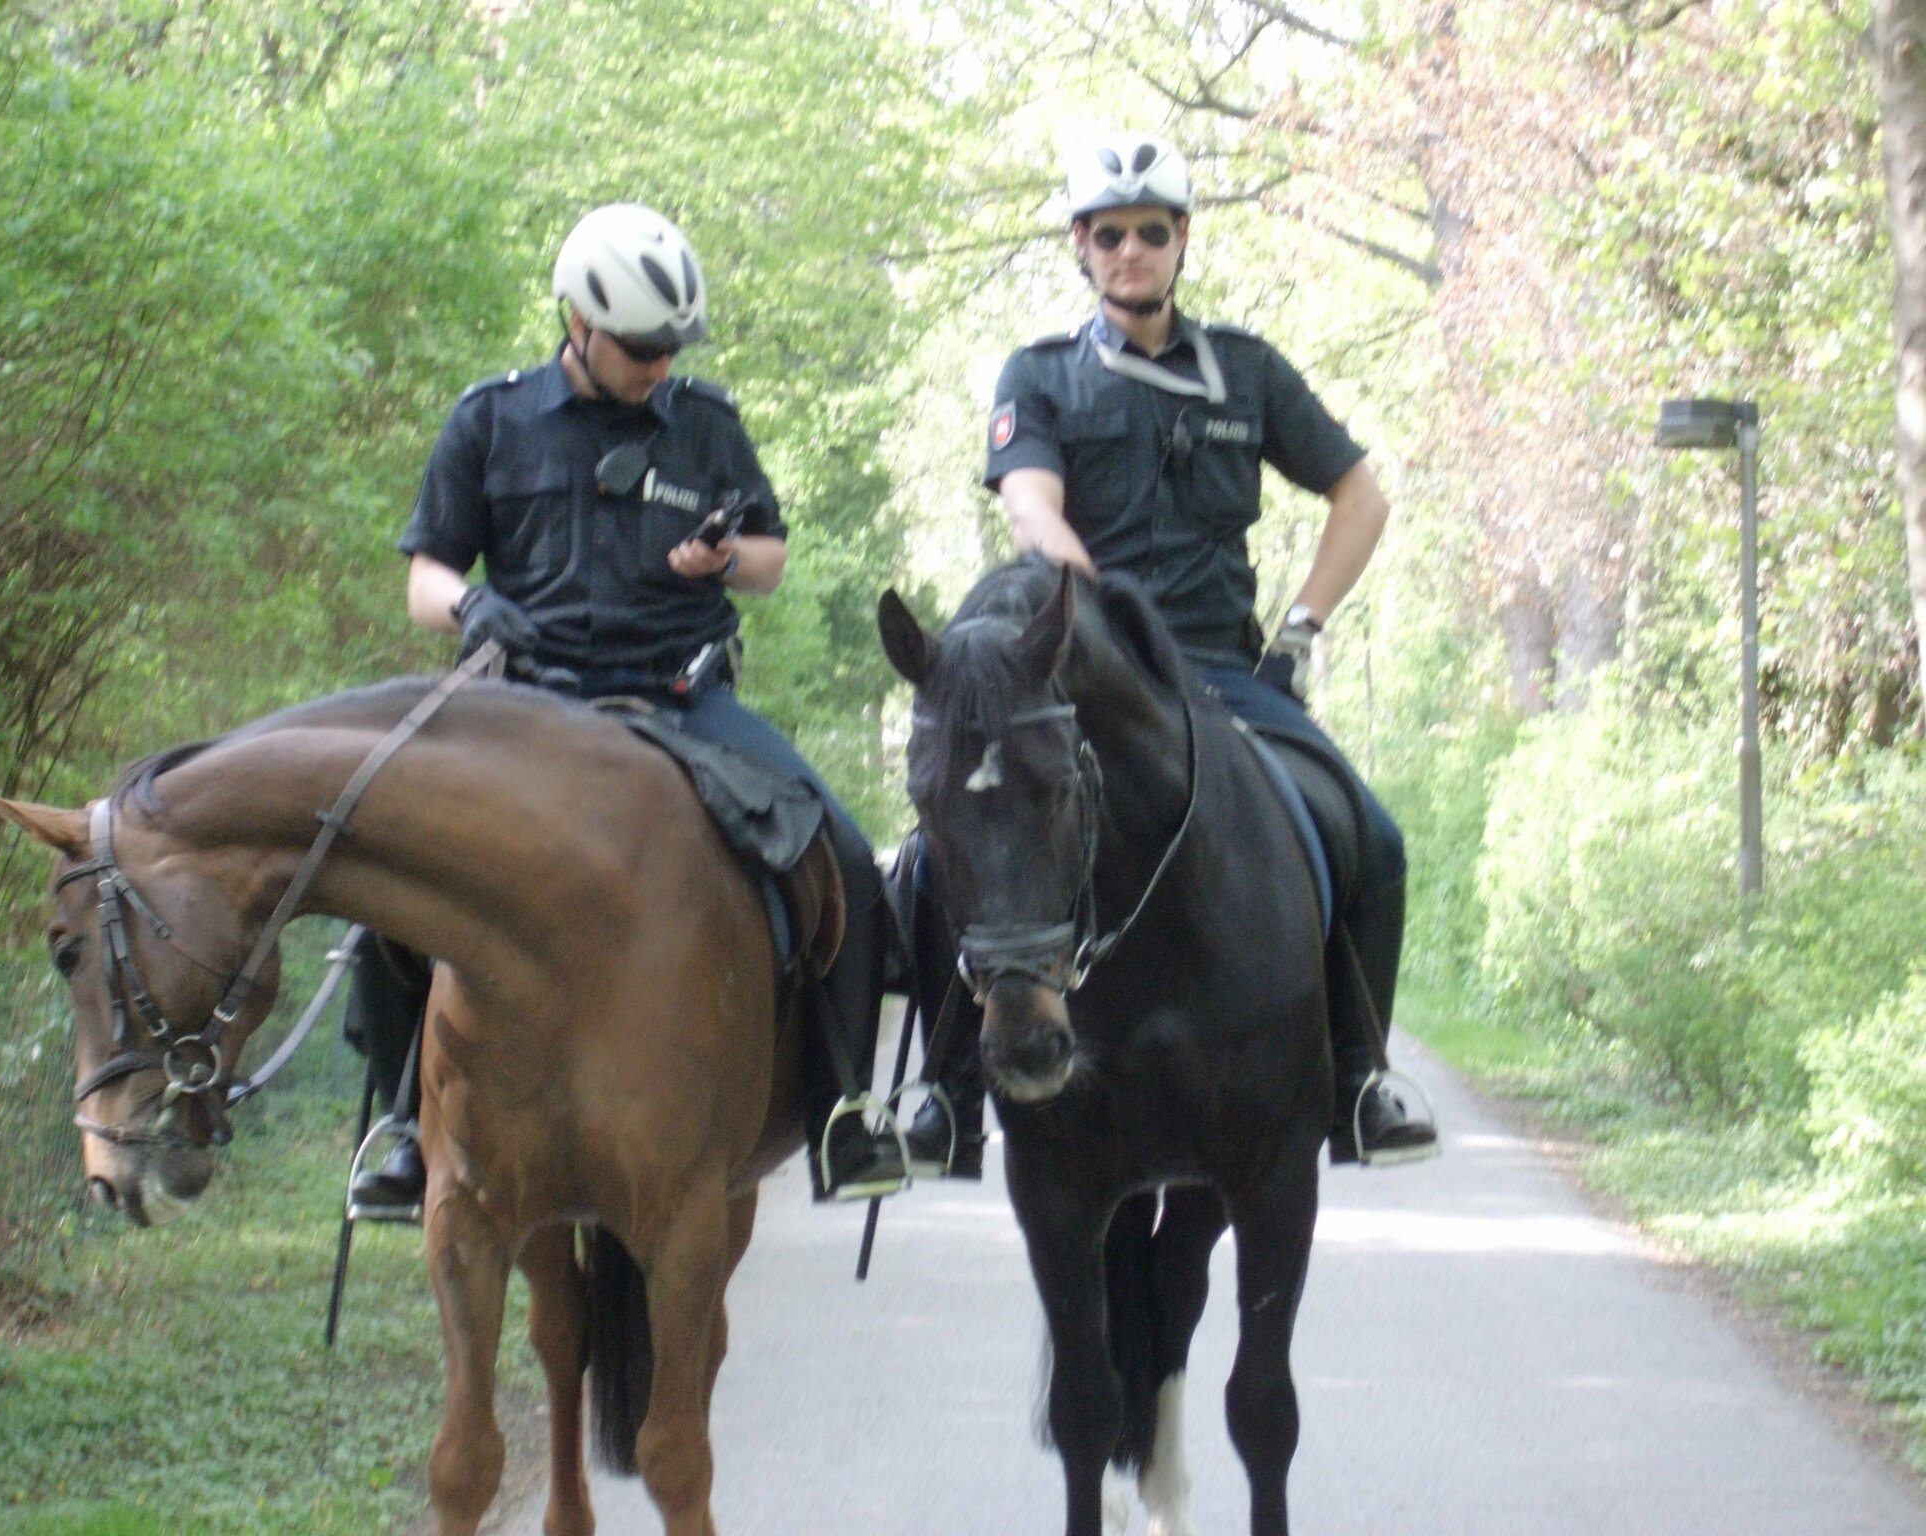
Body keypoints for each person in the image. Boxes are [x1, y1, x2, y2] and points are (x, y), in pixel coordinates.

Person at [346, 202, 910, 1217]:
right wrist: (472, 602)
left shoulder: (708, 424)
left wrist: (725, 560)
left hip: (679, 698)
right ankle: (398, 1124)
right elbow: (425, 574)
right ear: (576, 324)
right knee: (375, 855)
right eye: (640, 347)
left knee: (846, 856)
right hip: (524, 711)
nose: (657, 363)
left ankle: (842, 1110)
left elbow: (772, 559)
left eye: (670, 347)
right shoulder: (489, 419)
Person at [910, 133, 1438, 1169]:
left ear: (1180, 240)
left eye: (1150, 232)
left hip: (1228, 674)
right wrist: (1104, 627)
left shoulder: (1244, 369)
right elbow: (1031, 510)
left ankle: (1357, 1079)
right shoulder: (1042, 376)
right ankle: (944, 1093)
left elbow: (1359, 496)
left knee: (1370, 838)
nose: (1129, 252)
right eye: (1108, 234)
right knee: (941, 848)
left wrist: (1299, 631)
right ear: (1080, 246)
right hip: (1085, 678)